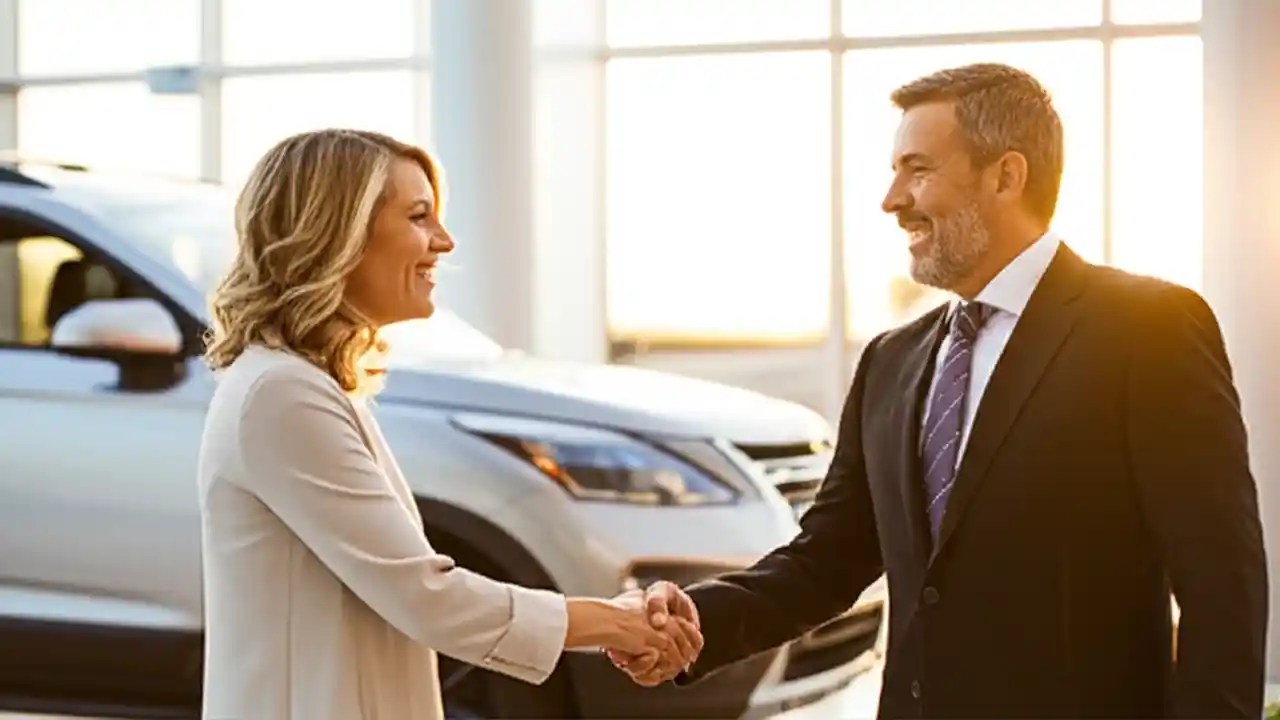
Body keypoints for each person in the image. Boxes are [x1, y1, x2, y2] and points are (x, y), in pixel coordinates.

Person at [610, 63, 1269, 718]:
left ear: (1007, 176)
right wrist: (696, 621)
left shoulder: (1147, 328)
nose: (893, 199)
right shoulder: (891, 362)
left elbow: (1223, 583)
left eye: (918, 170)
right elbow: (826, 560)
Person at [197, 128, 701, 720]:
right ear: (338, 232)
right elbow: (426, 595)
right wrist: (615, 623)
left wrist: (619, 620)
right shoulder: (281, 395)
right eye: (419, 217)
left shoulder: (301, 386)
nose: (444, 241)